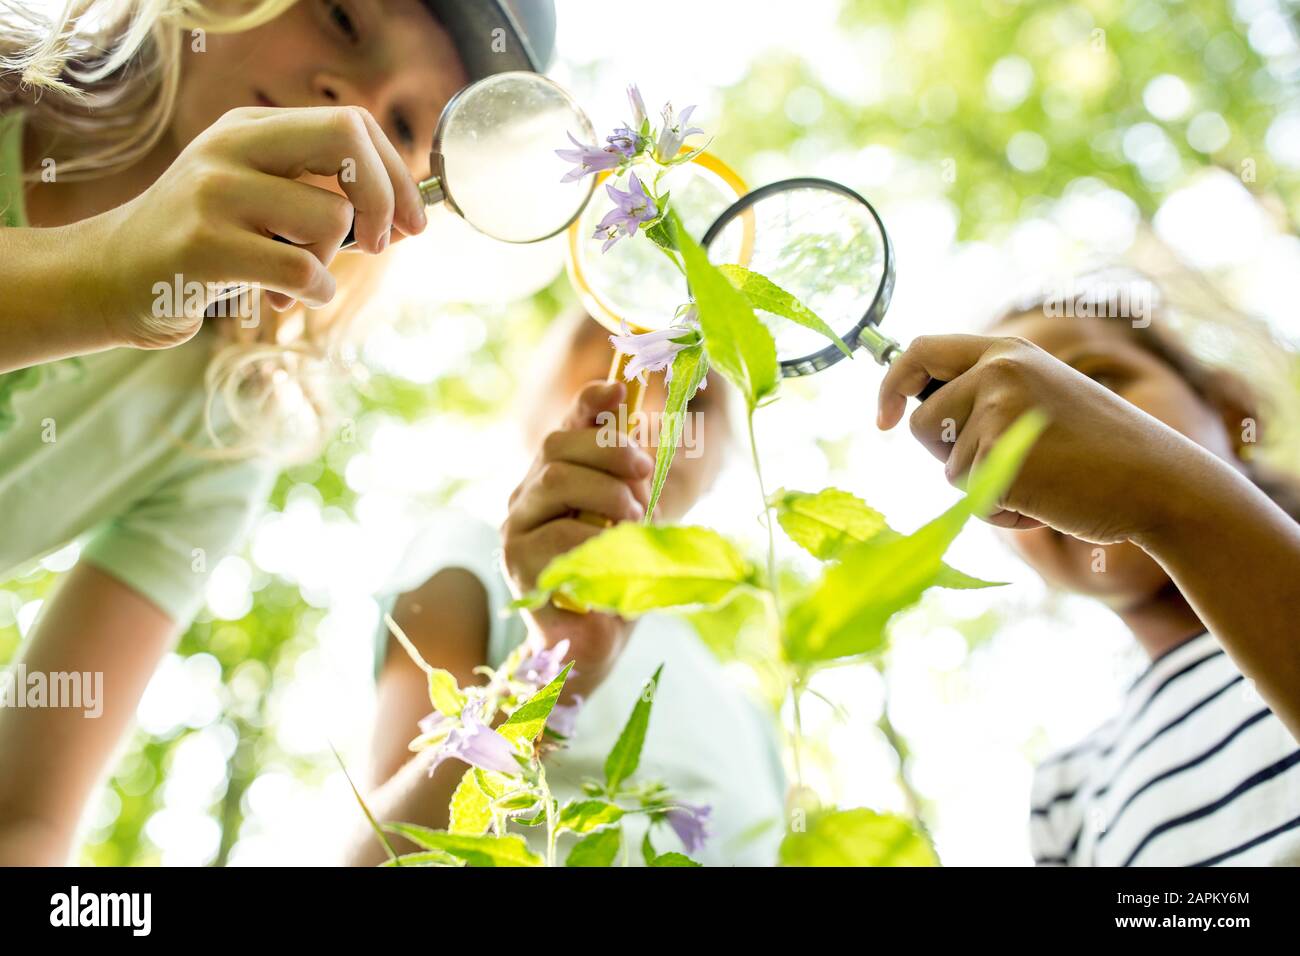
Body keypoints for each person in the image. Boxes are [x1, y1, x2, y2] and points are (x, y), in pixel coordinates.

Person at [0, 0, 556, 865]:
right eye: (342, 19)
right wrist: (103, 273)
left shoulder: (224, 429)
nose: (357, 98)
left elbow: (24, 817)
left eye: (407, 122)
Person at [876, 281, 1300, 865]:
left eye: (1095, 385)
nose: (1038, 442)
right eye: (988, 449)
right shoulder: (1067, 793)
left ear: (1230, 415)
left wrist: (1165, 494)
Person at [349, 312, 786, 866]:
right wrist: (555, 671)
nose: (657, 417)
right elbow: (380, 852)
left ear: (723, 453)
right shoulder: (477, 558)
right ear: (544, 416)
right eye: (620, 386)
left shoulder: (742, 701)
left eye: (692, 401)